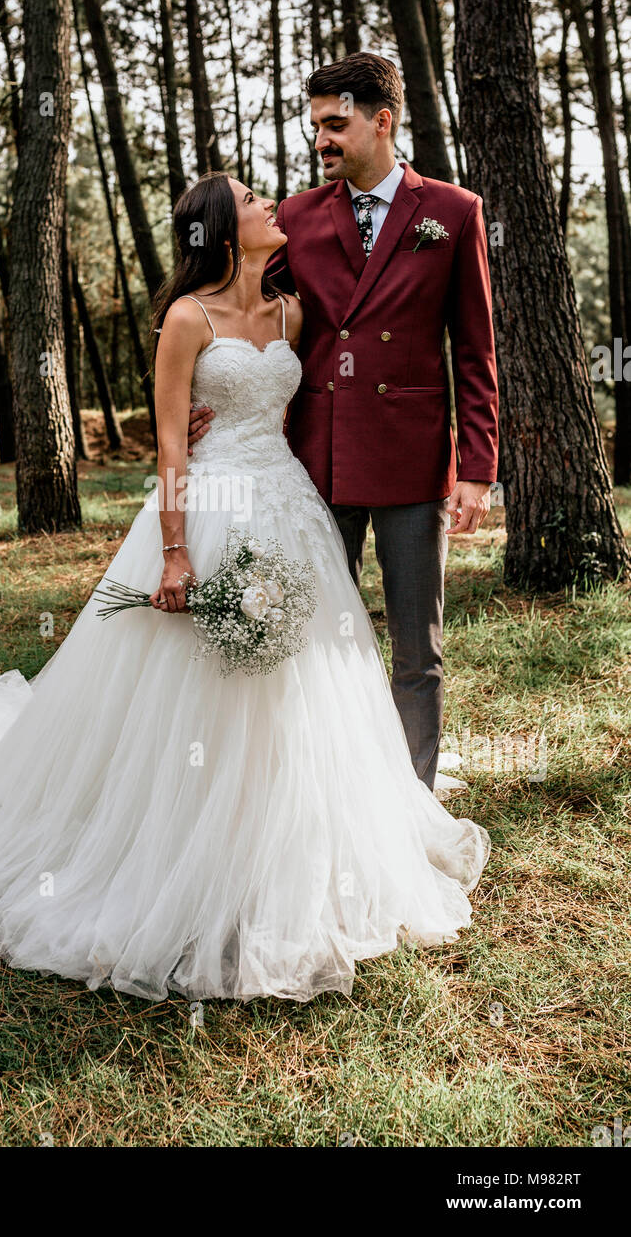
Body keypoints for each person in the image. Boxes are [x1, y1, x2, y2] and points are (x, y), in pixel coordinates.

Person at [0, 170, 489, 1004]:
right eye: (251, 202)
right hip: (206, 505)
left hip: (286, 504)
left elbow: (333, 383)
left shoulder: (292, 311)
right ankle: (181, 838)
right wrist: (175, 555)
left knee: (303, 669)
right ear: (220, 231)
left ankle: (287, 831)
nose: (269, 207)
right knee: (200, 677)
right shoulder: (185, 318)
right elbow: (172, 449)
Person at [188, 54, 499, 791]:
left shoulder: (453, 211)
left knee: (416, 649)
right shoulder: (294, 216)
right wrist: (209, 393)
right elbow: (238, 311)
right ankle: (317, 791)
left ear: (380, 120)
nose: (322, 141)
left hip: (413, 460)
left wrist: (478, 469)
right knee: (303, 629)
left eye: (336, 125)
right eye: (315, 127)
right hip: (311, 461)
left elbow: (475, 349)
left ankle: (410, 800)